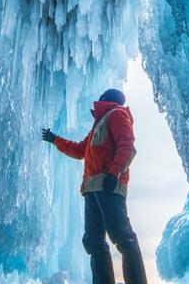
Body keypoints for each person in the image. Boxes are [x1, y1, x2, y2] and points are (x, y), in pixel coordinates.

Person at [42, 89, 148, 284]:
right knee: (94, 241)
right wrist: (55, 139)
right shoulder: (97, 125)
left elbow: (128, 146)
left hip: (109, 187)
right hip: (91, 189)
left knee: (123, 236)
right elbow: (79, 150)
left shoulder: (117, 114)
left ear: (107, 99)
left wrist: (113, 173)